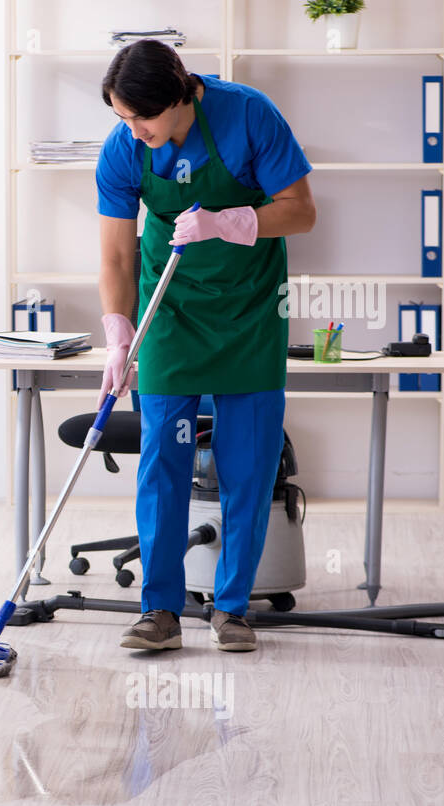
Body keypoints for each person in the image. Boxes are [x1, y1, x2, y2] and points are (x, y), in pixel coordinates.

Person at [93, 40, 316, 652]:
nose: (134, 132)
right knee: (162, 464)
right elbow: (115, 252)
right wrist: (117, 333)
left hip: (249, 310)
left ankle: (234, 608)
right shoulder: (124, 149)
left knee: (247, 465)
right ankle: (159, 610)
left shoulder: (248, 115)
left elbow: (301, 212)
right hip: (168, 313)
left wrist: (232, 220)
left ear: (180, 96)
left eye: (143, 119)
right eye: (122, 119)